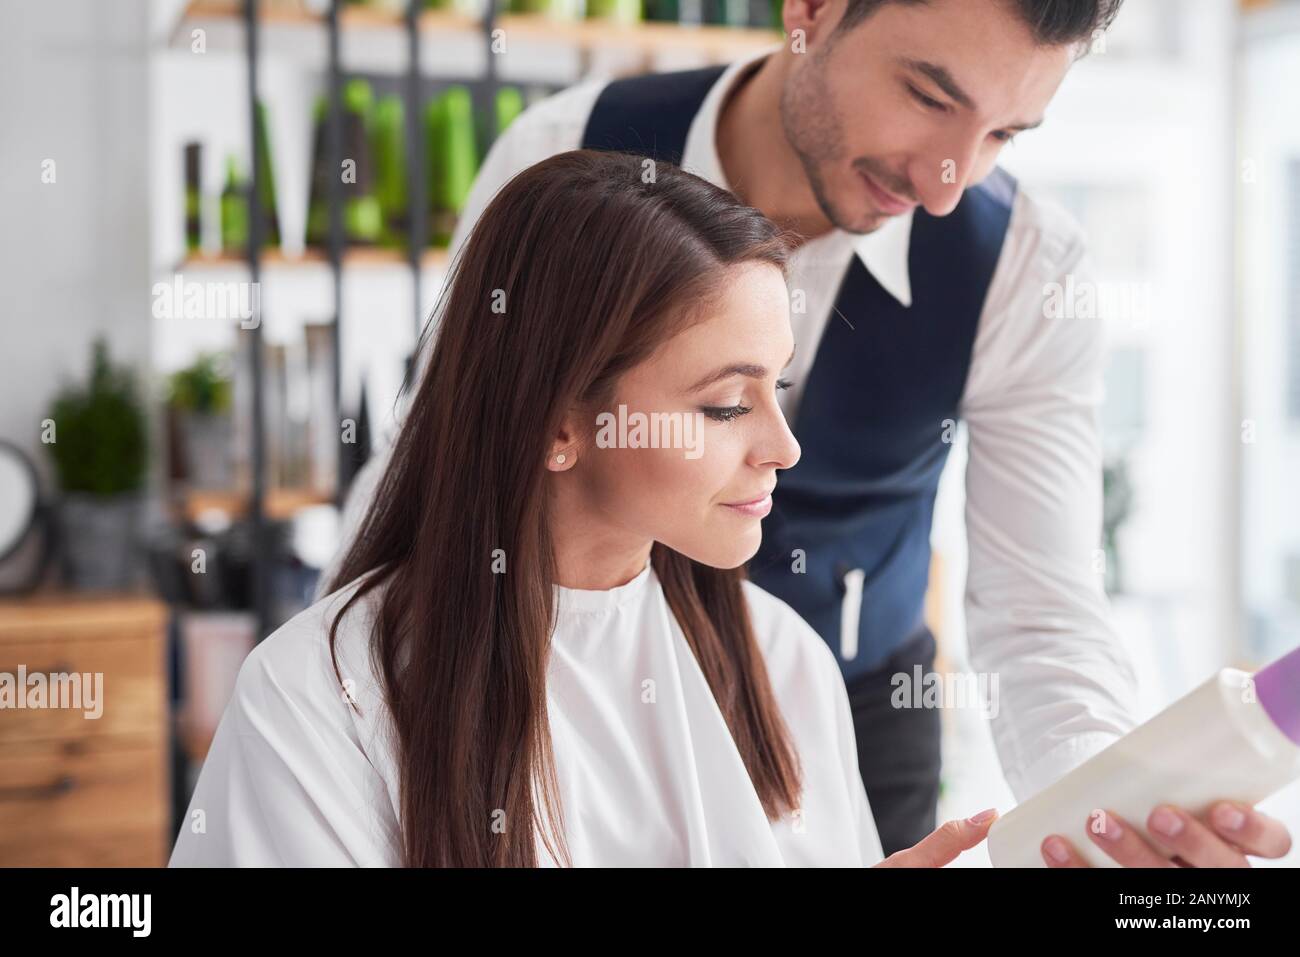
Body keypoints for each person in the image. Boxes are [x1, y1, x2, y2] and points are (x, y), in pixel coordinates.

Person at [169, 149, 1003, 867]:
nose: (784, 447)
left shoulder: (784, 663)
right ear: (561, 424)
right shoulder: (320, 697)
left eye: (776, 386)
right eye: (724, 405)